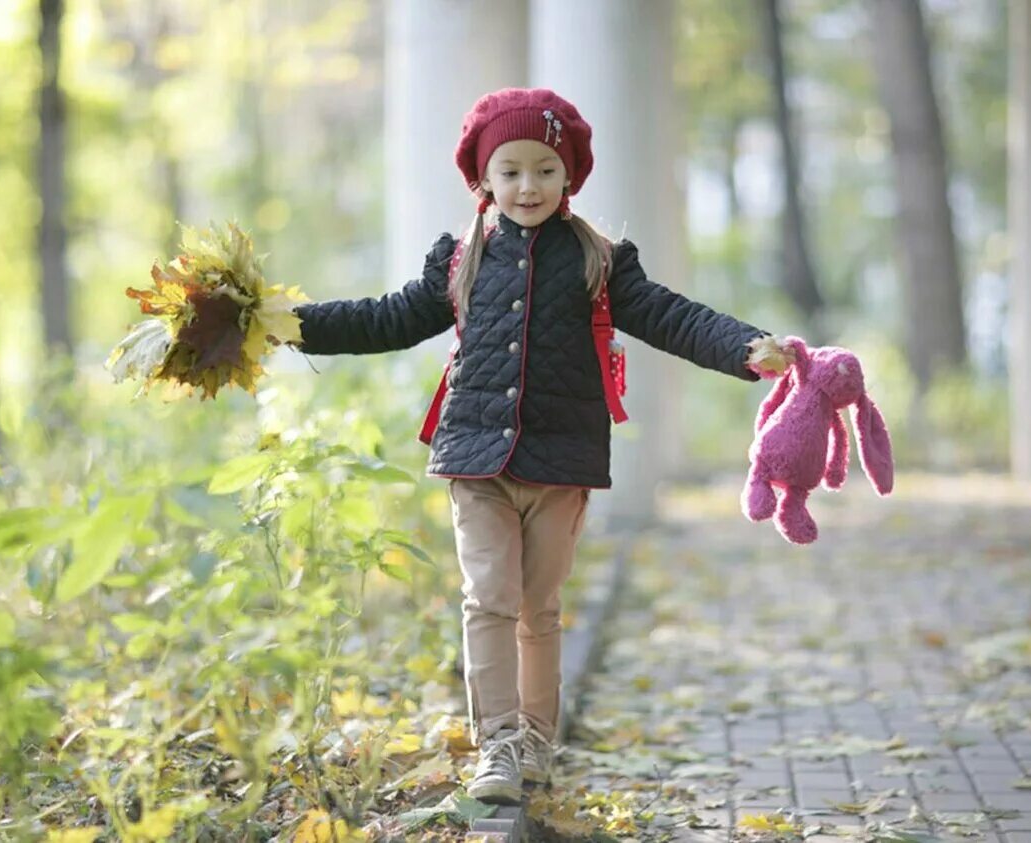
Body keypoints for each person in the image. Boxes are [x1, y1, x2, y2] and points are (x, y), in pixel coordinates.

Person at [292, 87, 787, 804]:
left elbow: (672, 317)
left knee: (539, 606)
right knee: (488, 596)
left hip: (560, 460)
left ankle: (534, 740)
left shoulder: (599, 259)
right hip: (476, 460)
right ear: (484, 178)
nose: (529, 186)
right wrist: (292, 324)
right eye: (512, 170)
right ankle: (496, 742)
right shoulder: (462, 259)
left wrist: (746, 347)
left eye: (546, 170)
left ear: (570, 175)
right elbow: (386, 319)